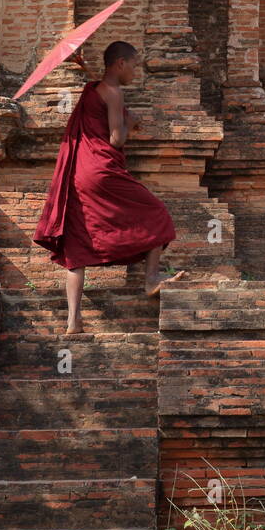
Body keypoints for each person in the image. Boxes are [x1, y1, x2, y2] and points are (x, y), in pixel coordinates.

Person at [33, 40, 179, 334]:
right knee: (156, 213)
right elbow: (116, 140)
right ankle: (151, 279)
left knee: (75, 246)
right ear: (120, 64)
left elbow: (95, 87)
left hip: (79, 174)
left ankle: (73, 322)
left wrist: (82, 65)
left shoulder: (95, 89)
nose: (136, 73)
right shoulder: (113, 93)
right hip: (102, 170)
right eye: (134, 66)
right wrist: (129, 121)